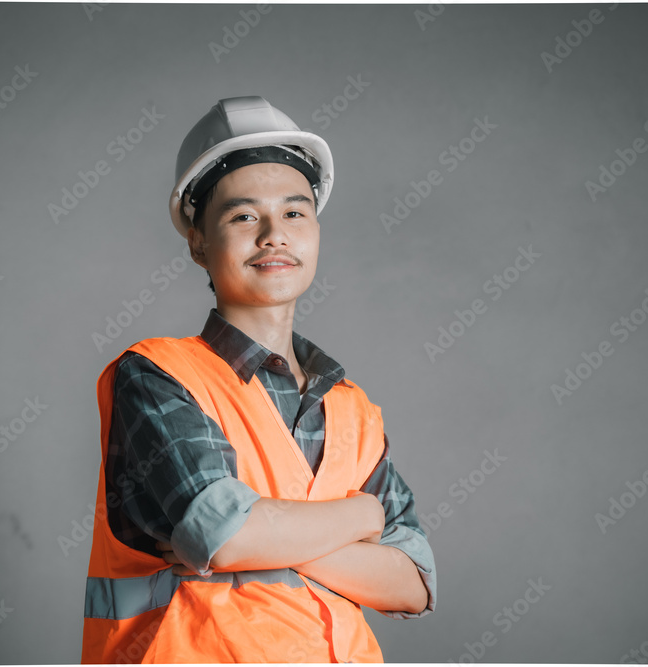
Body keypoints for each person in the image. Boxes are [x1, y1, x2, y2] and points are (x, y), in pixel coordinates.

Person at [81, 96, 436, 663]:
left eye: (295, 212)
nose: (274, 234)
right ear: (198, 241)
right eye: (244, 215)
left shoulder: (351, 410)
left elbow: (414, 584)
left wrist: (268, 531)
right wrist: (363, 517)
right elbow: (227, 539)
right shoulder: (158, 376)